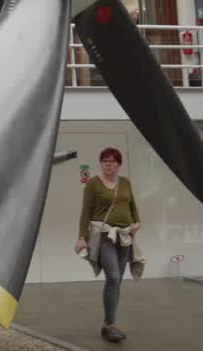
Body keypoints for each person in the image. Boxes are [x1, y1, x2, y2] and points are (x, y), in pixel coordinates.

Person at [74, 147, 143, 344]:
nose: (108, 164)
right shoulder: (93, 184)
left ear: (119, 164)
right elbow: (85, 212)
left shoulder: (125, 183)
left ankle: (107, 326)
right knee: (113, 277)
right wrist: (81, 237)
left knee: (117, 279)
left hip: (125, 237)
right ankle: (110, 324)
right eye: (104, 160)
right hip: (104, 236)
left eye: (112, 161)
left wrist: (137, 222)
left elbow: (133, 207)